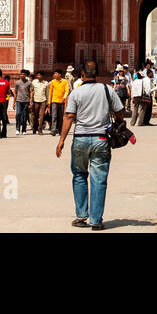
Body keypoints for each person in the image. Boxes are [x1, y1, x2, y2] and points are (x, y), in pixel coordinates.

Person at [56, 60, 124, 231]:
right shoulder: (107, 89)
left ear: (83, 75)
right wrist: (119, 125)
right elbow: (119, 112)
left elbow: (69, 117)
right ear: (97, 74)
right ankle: (95, 220)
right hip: (101, 139)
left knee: (79, 175)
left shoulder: (76, 93)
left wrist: (61, 140)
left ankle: (81, 215)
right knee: (99, 179)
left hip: (80, 139)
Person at [47, 71, 69, 136]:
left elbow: (67, 90)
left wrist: (64, 98)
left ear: (60, 74)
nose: (54, 75)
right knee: (54, 116)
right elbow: (50, 92)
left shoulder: (64, 81)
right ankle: (53, 130)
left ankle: (60, 130)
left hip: (61, 102)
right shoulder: (53, 82)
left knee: (60, 116)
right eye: (54, 74)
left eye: (56, 74)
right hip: (54, 101)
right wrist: (49, 102)